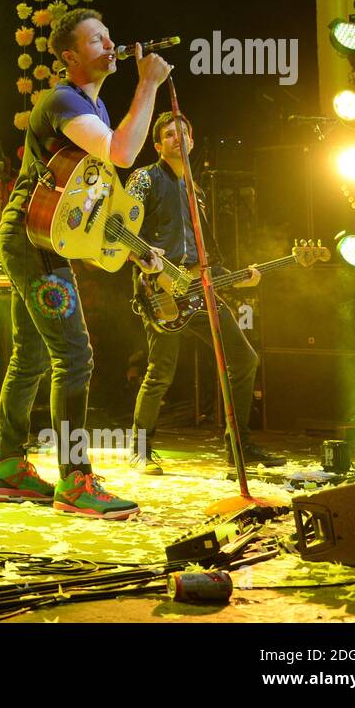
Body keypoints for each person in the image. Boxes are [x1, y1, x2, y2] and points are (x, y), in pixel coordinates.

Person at [0, 8, 168, 519]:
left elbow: (90, 202)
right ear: (69, 57)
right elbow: (122, 154)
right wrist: (148, 85)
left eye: (109, 37)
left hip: (42, 238)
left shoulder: (95, 106)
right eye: (96, 40)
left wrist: (133, 247)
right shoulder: (63, 100)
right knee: (75, 357)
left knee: (31, 356)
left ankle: (9, 467)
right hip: (33, 242)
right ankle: (75, 479)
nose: (110, 45)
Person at [124, 113, 285, 473]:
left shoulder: (195, 191)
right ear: (158, 145)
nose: (177, 138)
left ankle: (239, 447)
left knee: (244, 360)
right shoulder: (144, 179)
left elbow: (205, 253)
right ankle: (140, 448)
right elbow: (123, 228)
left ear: (193, 142)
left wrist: (238, 278)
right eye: (169, 134)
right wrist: (143, 258)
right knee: (161, 371)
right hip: (160, 287)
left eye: (183, 132)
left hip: (198, 288)